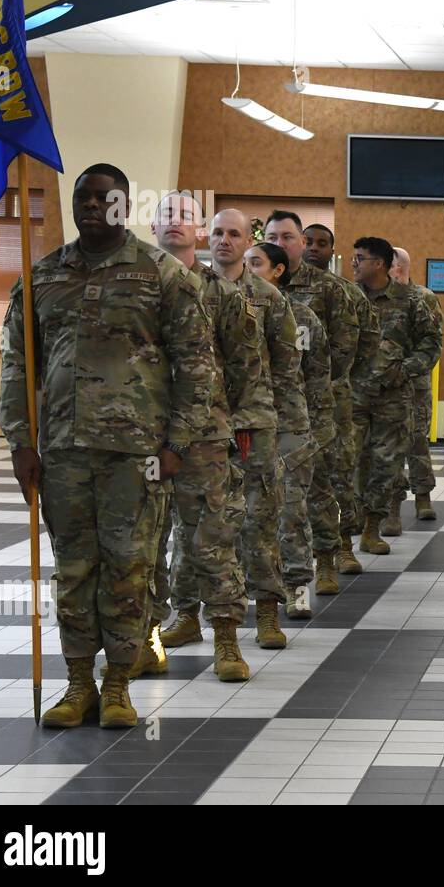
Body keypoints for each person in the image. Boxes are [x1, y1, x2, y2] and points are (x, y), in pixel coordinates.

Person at [0, 163, 214, 729]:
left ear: (124, 205)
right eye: (83, 198)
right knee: (73, 570)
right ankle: (77, 685)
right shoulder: (42, 275)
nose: (92, 207)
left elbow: (197, 363)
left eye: (104, 198)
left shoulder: (162, 274)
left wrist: (178, 443)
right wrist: (21, 441)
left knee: (129, 567)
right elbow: (17, 364)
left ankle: (117, 684)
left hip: (137, 453)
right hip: (65, 451)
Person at [168, 207, 307, 652]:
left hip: (252, 425)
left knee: (259, 518)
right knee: (190, 523)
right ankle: (187, 613)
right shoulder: (188, 291)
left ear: (251, 242)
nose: (224, 240)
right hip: (199, 425)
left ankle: (266, 612)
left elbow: (287, 369)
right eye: (217, 233)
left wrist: (288, 429)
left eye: (234, 234)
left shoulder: (268, 298)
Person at [150, 194, 259, 683]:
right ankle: (157, 630)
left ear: (200, 232)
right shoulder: (136, 284)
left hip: (205, 437)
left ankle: (227, 639)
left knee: (212, 537)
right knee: (148, 541)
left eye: (185, 218)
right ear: (152, 225)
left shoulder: (223, 295)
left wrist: (236, 423)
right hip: (142, 435)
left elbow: (246, 366)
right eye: (166, 216)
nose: (175, 224)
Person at [266, 212, 358, 594]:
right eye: (272, 236)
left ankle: (327, 559)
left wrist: (319, 390)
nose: (280, 242)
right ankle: (274, 574)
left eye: (288, 236)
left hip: (315, 407)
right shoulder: (248, 291)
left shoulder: (329, 289)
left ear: (301, 242)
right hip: (263, 411)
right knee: (271, 495)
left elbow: (347, 345)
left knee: (320, 488)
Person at [246, 241, 333, 620]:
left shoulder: (302, 318)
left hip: (291, 426)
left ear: (278, 270)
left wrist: (317, 425)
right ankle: (247, 594)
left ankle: (298, 590)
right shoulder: (231, 310)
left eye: (256, 262)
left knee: (292, 511)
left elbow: (318, 374)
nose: (247, 269)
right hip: (246, 426)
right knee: (247, 514)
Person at [303, 221, 378, 575]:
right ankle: (305, 560)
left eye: (322, 243)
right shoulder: (271, 288)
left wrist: (340, 380)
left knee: (338, 474)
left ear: (333, 250)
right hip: (282, 403)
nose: (313, 248)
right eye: (307, 241)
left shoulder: (343, 291)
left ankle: (344, 546)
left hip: (331, 399)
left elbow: (362, 346)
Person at [351, 236, 422, 554]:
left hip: (392, 399)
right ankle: (343, 534)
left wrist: (403, 371)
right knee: (349, 463)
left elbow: (430, 343)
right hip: (351, 396)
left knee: (385, 464)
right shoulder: (346, 298)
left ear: (379, 263)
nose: (353, 263)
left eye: (359, 258)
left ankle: (372, 527)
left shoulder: (410, 301)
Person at [388, 246, 444, 518]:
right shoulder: (371, 298)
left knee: (417, 440)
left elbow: (432, 342)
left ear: (397, 267)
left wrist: (404, 369)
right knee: (385, 445)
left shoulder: (423, 298)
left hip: (414, 384)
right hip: (381, 387)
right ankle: (391, 504)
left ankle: (423, 497)